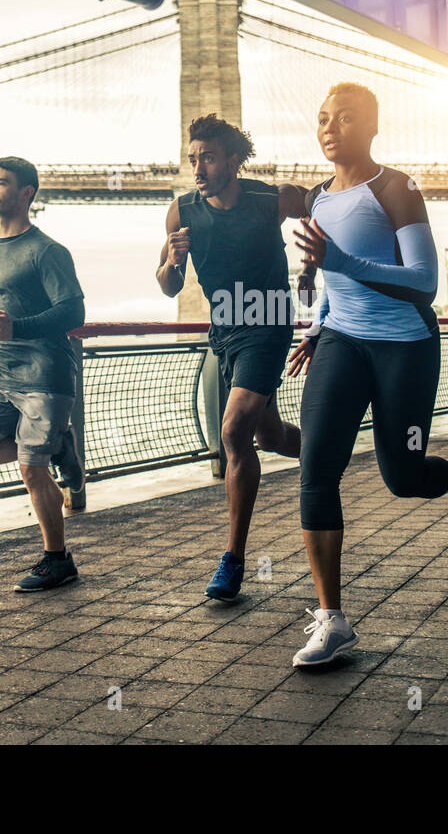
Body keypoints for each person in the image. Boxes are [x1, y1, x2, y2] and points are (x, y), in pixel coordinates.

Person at [285, 82, 448, 668]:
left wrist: (339, 263)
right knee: (317, 467)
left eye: (344, 119)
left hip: (405, 346)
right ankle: (333, 621)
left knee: (401, 476)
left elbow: (424, 281)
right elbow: (334, 282)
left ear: (371, 127)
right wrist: (318, 325)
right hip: (343, 344)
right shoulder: (317, 199)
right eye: (323, 118)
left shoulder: (396, 188)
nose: (330, 128)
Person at [157, 114, 311, 602]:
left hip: (268, 325)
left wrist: (312, 262)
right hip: (223, 333)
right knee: (269, 434)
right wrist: (173, 262)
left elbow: (323, 205)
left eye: (207, 157)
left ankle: (233, 559)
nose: (197, 167)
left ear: (233, 161)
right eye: (192, 158)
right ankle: (326, 450)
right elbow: (168, 287)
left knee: (231, 431)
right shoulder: (181, 211)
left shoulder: (269, 198)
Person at [0, 156, 87, 592]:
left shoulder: (47, 251)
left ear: (26, 193)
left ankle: (57, 560)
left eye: (0, 184)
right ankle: (57, 445)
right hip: (5, 374)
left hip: (47, 376)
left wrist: (18, 327)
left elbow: (73, 310)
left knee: (31, 470)